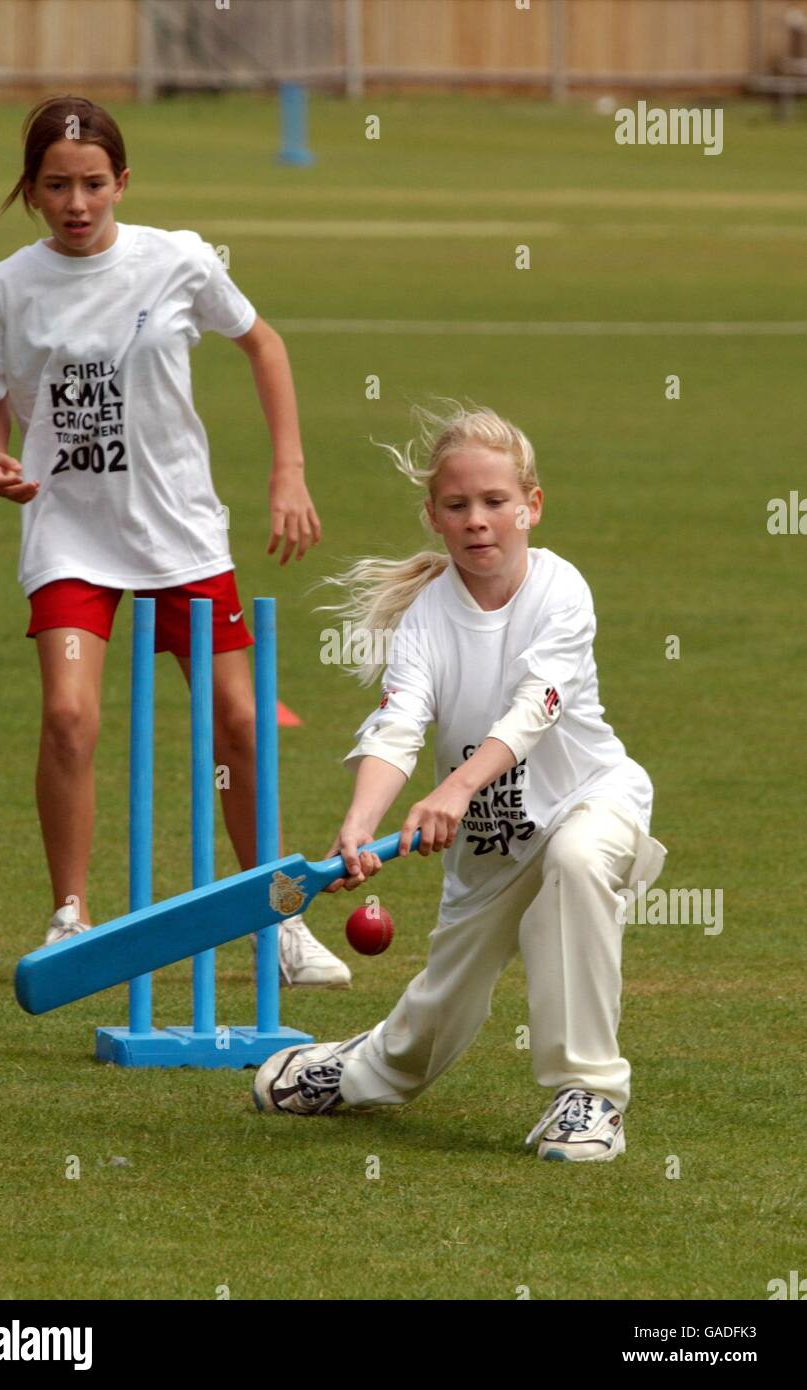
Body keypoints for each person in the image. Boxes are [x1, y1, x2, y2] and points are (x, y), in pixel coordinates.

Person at [0, 94, 350, 987]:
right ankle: (70, 917)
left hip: (179, 529)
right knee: (68, 718)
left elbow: (265, 345)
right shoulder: (8, 286)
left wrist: (286, 472)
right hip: (69, 532)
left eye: (94, 184)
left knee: (242, 720)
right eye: (57, 186)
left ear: (123, 182)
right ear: (30, 190)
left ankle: (276, 917)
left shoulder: (178, 259)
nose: (77, 204)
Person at [254, 402, 667, 1158]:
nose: (478, 520)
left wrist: (455, 788)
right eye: (458, 506)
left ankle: (589, 1099)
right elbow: (398, 726)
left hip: (591, 798)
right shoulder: (424, 619)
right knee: (435, 1014)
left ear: (531, 508)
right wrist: (358, 821)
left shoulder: (561, 590)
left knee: (576, 866)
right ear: (434, 517)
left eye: (495, 502)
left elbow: (537, 706)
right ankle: (354, 1071)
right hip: (494, 841)